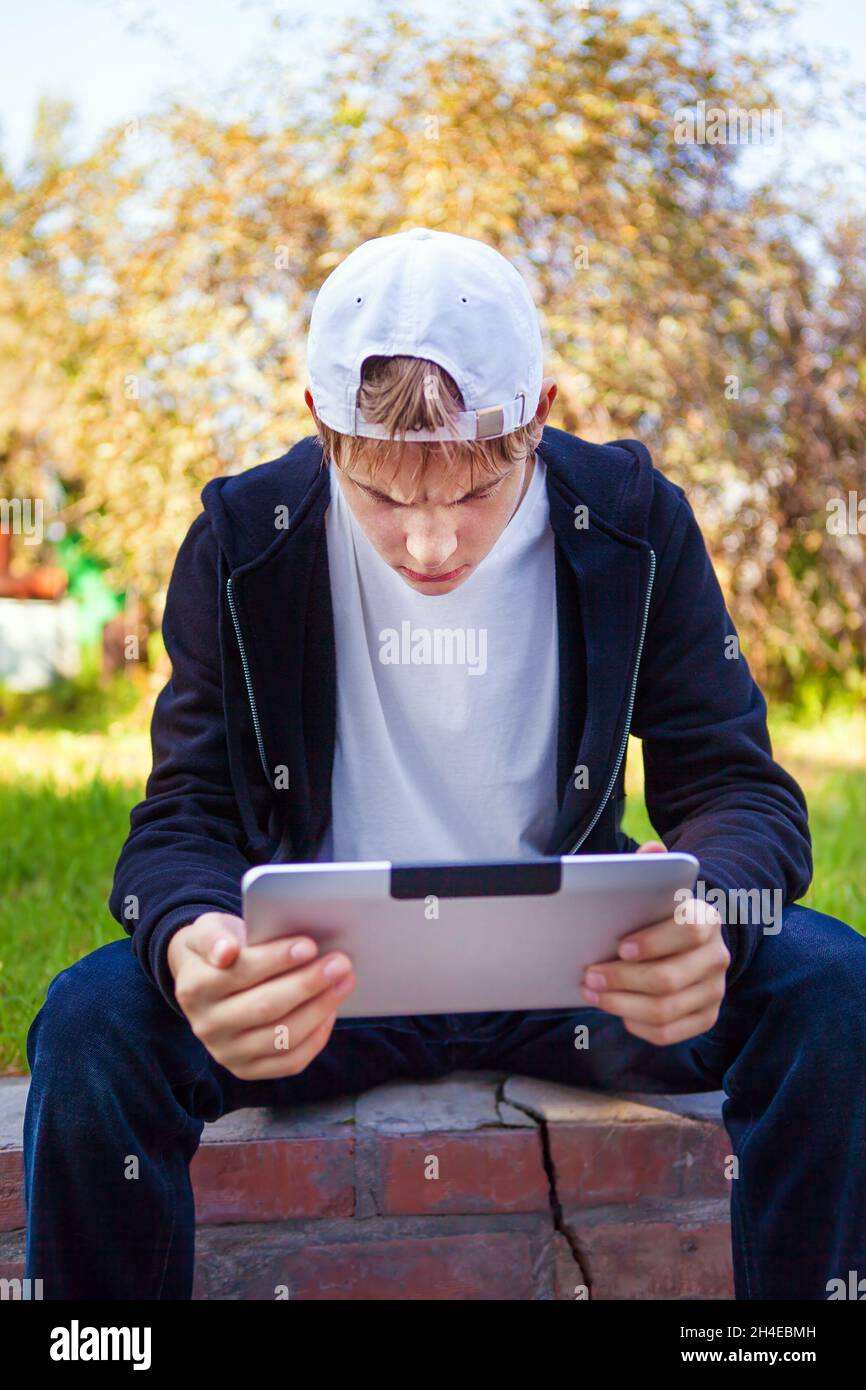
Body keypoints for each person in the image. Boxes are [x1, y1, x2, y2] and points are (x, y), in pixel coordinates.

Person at [23, 228, 866, 1301]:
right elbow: (180, 817)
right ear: (319, 426)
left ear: (540, 416)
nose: (430, 546)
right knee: (92, 1024)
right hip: (321, 984)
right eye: (383, 499)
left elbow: (737, 790)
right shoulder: (243, 540)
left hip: (581, 971)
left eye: (473, 495)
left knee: (834, 991)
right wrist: (195, 937)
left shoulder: (632, 522)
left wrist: (706, 905)